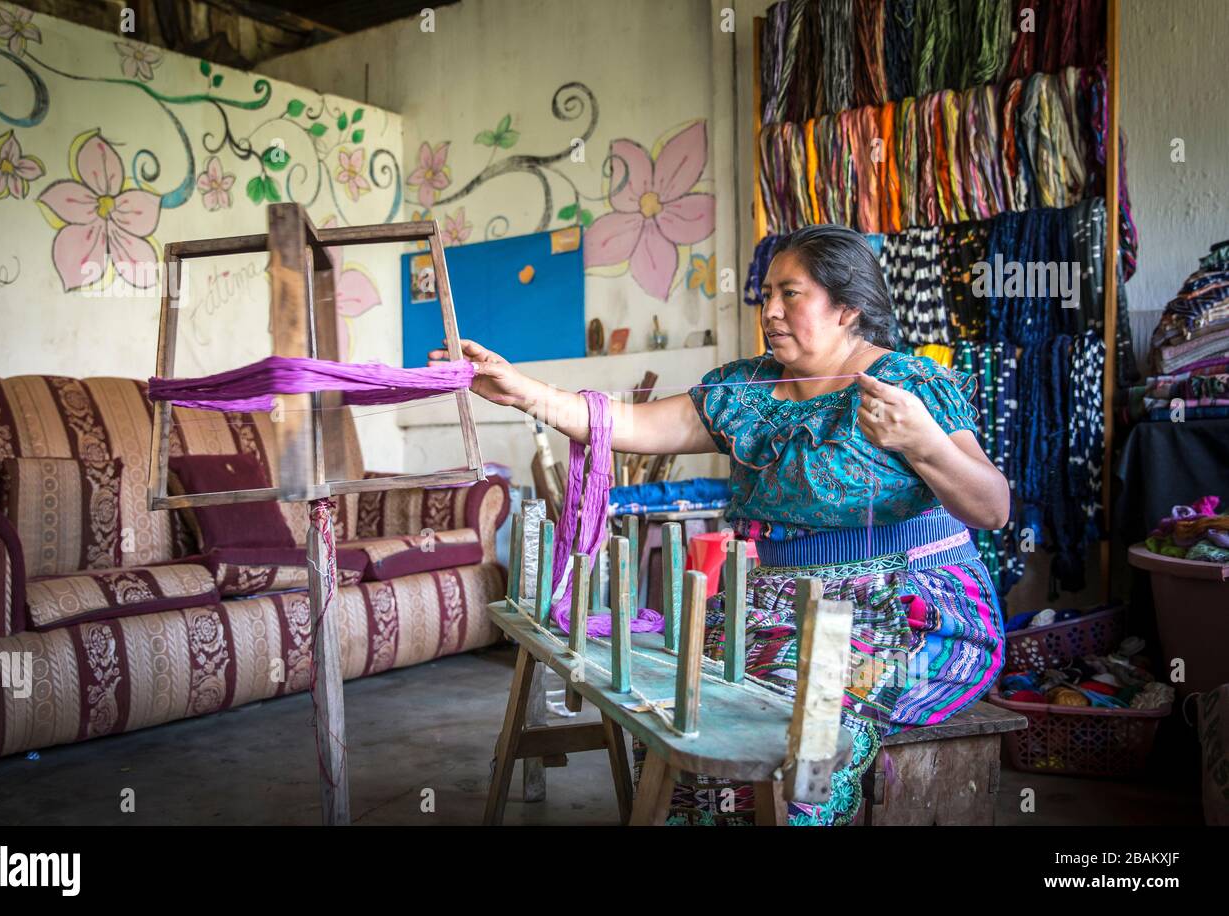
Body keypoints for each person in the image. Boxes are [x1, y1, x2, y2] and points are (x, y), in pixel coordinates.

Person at [429, 224, 1008, 825]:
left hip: (905, 610)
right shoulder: (746, 390)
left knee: (793, 725)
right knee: (676, 705)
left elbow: (992, 508)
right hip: (777, 605)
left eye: (791, 294)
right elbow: (629, 424)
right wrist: (522, 391)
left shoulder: (908, 388)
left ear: (847, 307)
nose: (771, 311)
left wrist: (925, 443)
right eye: (767, 295)